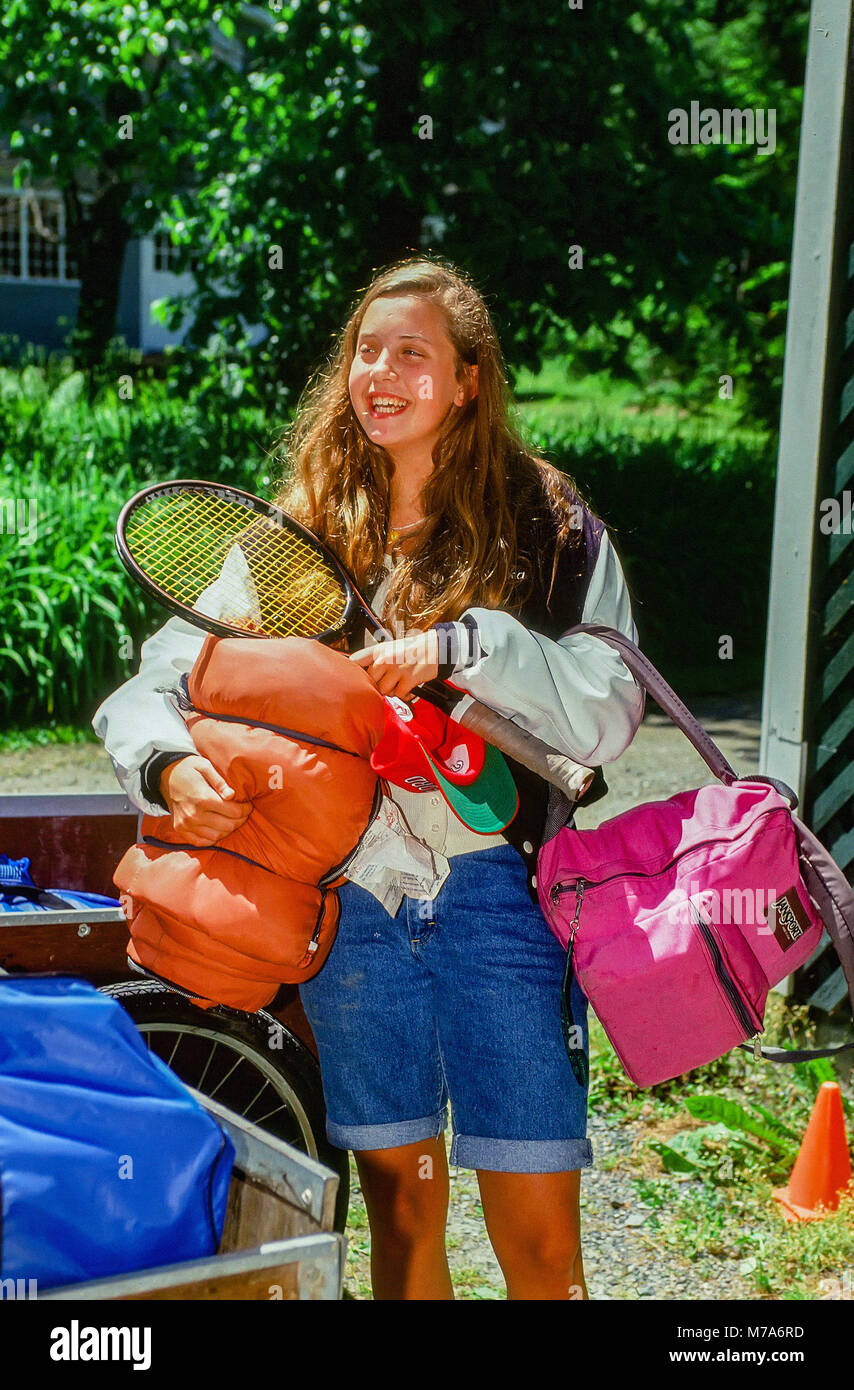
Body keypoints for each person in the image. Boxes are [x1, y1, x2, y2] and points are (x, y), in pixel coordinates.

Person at [93, 255, 644, 1301]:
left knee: (537, 1246)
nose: (379, 370)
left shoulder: (550, 521)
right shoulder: (289, 534)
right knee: (399, 1225)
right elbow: (154, 682)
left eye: (413, 352)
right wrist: (165, 766)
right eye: (364, 349)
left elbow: (609, 707)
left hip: (500, 902)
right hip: (352, 912)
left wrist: (464, 644)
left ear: (468, 379)